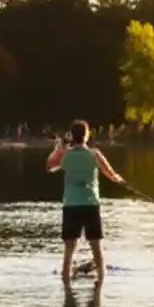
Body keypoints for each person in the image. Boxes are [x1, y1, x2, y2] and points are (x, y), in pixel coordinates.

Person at [46, 119, 125, 284]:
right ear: (87, 135)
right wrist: (119, 180)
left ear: (71, 136)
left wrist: (58, 150)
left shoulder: (65, 154)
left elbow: (50, 167)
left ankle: (66, 284)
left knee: (69, 250)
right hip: (90, 205)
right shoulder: (94, 154)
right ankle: (101, 282)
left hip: (71, 206)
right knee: (97, 248)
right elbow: (111, 175)